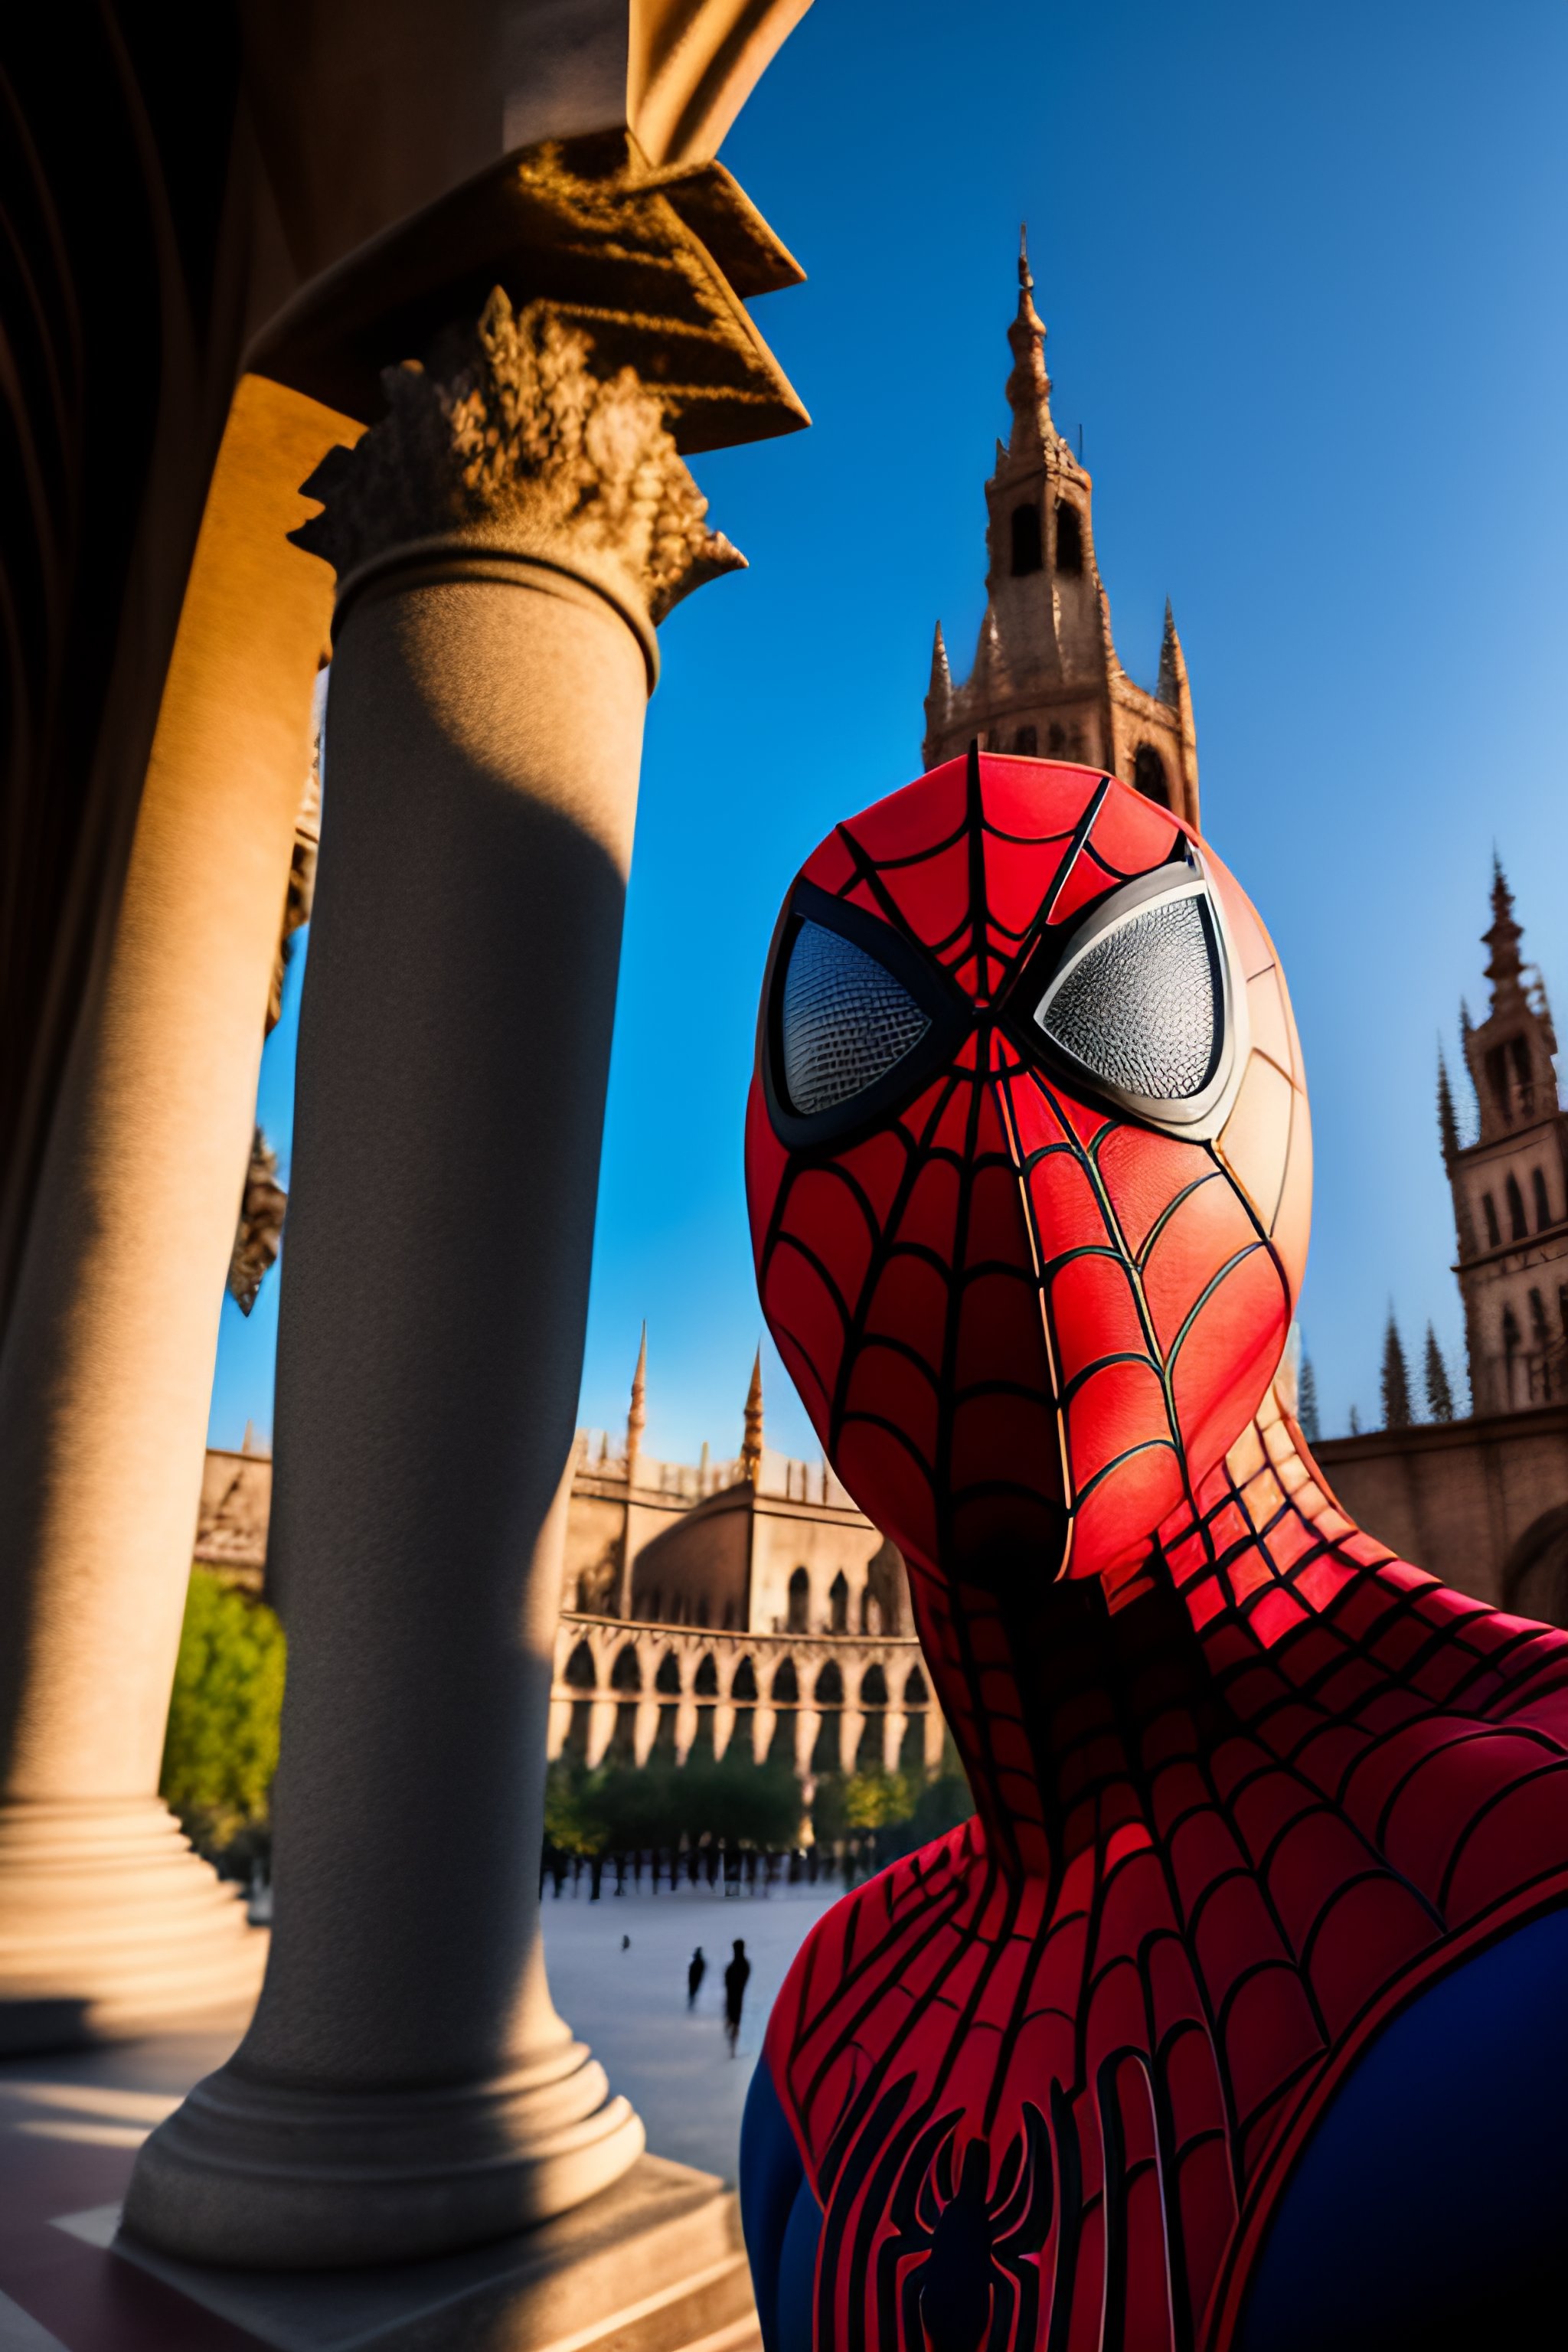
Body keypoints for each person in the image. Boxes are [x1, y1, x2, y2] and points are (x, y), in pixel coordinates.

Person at [738, 749, 1568, 2351]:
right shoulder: (825, 2040)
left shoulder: (1519, 1883)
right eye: (862, 1038)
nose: (984, 1112)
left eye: (1112, 1016)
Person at [723, 1938, 750, 2057]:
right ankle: (731, 2047)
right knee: (733, 2022)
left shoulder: (734, 1966)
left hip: (734, 1997)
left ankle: (732, 2048)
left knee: (733, 2021)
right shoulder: (743, 1965)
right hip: (736, 1997)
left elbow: (728, 1982)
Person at [687, 1945, 706, 2010]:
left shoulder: (698, 1963)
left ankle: (691, 2005)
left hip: (695, 1979)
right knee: (693, 1992)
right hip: (695, 1980)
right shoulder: (699, 1962)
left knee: (693, 1992)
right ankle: (691, 2004)